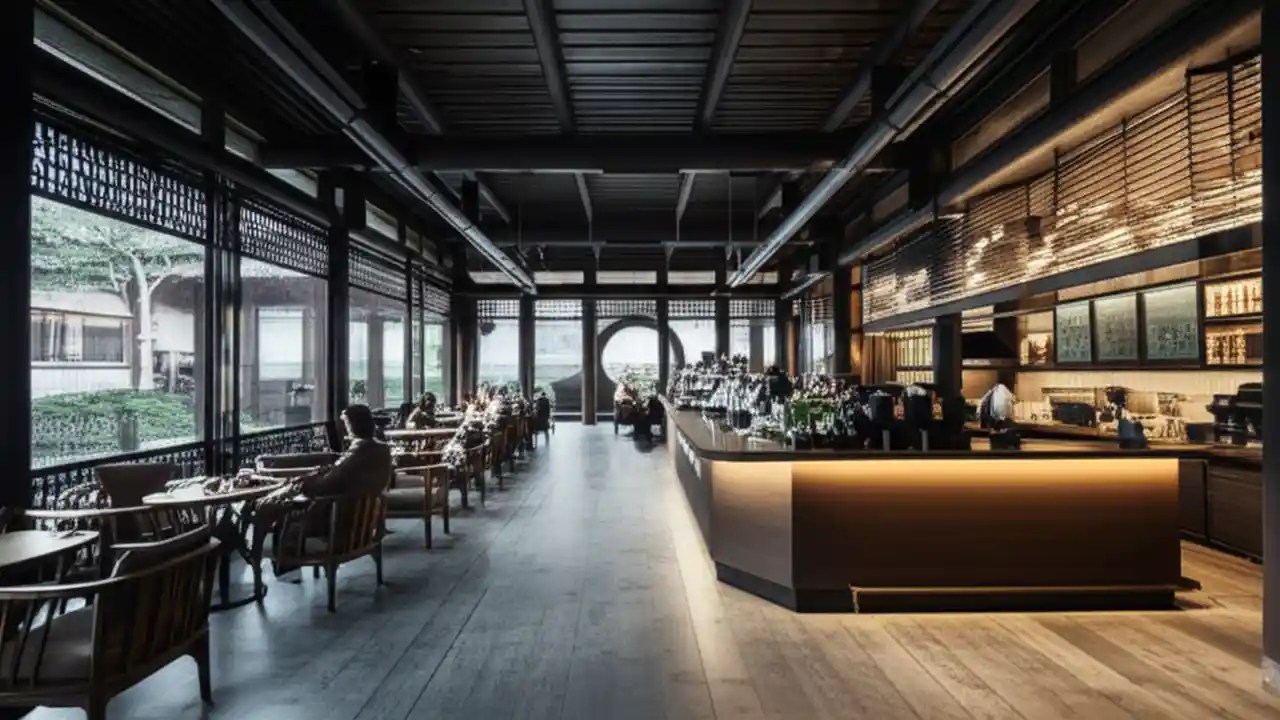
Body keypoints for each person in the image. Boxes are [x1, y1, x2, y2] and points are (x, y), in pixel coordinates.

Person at [252, 404, 393, 574]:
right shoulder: (381, 449)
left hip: (338, 521)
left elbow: (328, 485)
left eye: (348, 423)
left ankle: (260, 556)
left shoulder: (358, 453)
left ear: (356, 424)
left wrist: (305, 483)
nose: (346, 428)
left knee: (270, 507)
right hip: (362, 519)